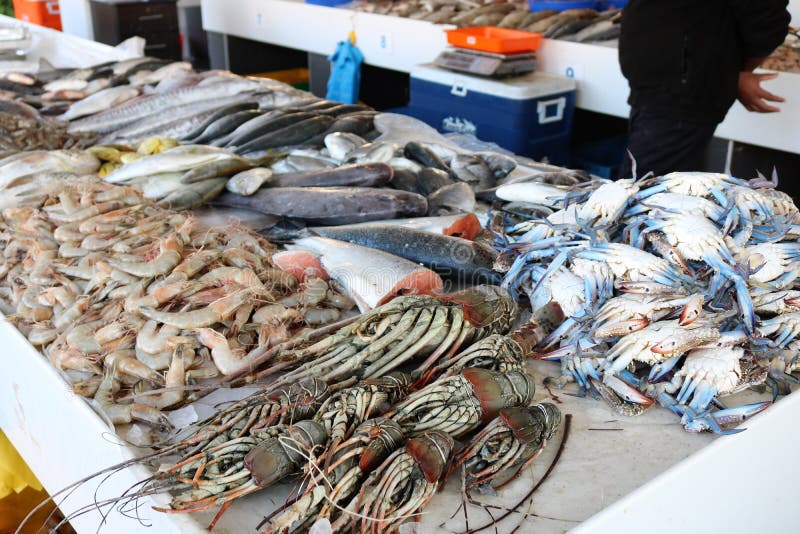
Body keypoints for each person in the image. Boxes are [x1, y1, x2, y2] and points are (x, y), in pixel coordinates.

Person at [618, 0, 791, 178]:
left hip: (682, 90)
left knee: (638, 193)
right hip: (654, 86)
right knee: (643, 185)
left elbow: (768, 18)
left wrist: (736, 71)